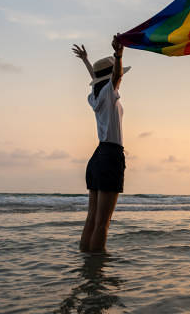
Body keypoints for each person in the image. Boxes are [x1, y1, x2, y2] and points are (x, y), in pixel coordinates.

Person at [72, 35, 130, 253]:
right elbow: (114, 77)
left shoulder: (95, 96)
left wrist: (86, 61)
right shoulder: (109, 92)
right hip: (110, 156)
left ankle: (86, 261)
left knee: (92, 218)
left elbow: (103, 79)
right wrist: (119, 55)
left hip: (98, 157)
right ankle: (97, 269)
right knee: (102, 223)